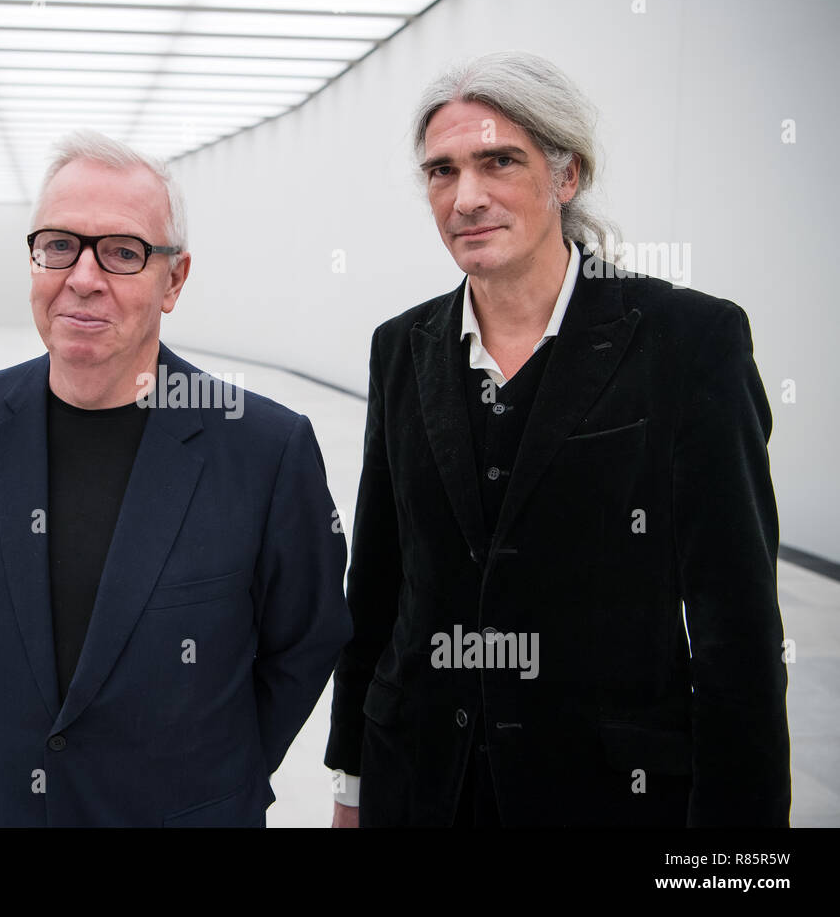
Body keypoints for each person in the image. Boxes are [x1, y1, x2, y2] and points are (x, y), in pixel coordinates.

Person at [325, 51, 790, 827]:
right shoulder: (401, 346)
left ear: (566, 176)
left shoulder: (687, 340)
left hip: (606, 793)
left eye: (498, 162)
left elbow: (737, 627)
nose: (466, 197)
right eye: (442, 172)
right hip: (424, 783)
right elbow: (378, 582)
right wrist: (354, 780)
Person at [0, 129, 351, 826]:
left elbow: (305, 641)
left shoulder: (265, 448)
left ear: (173, 279)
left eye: (122, 253)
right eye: (59, 245)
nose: (82, 277)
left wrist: (211, 776)